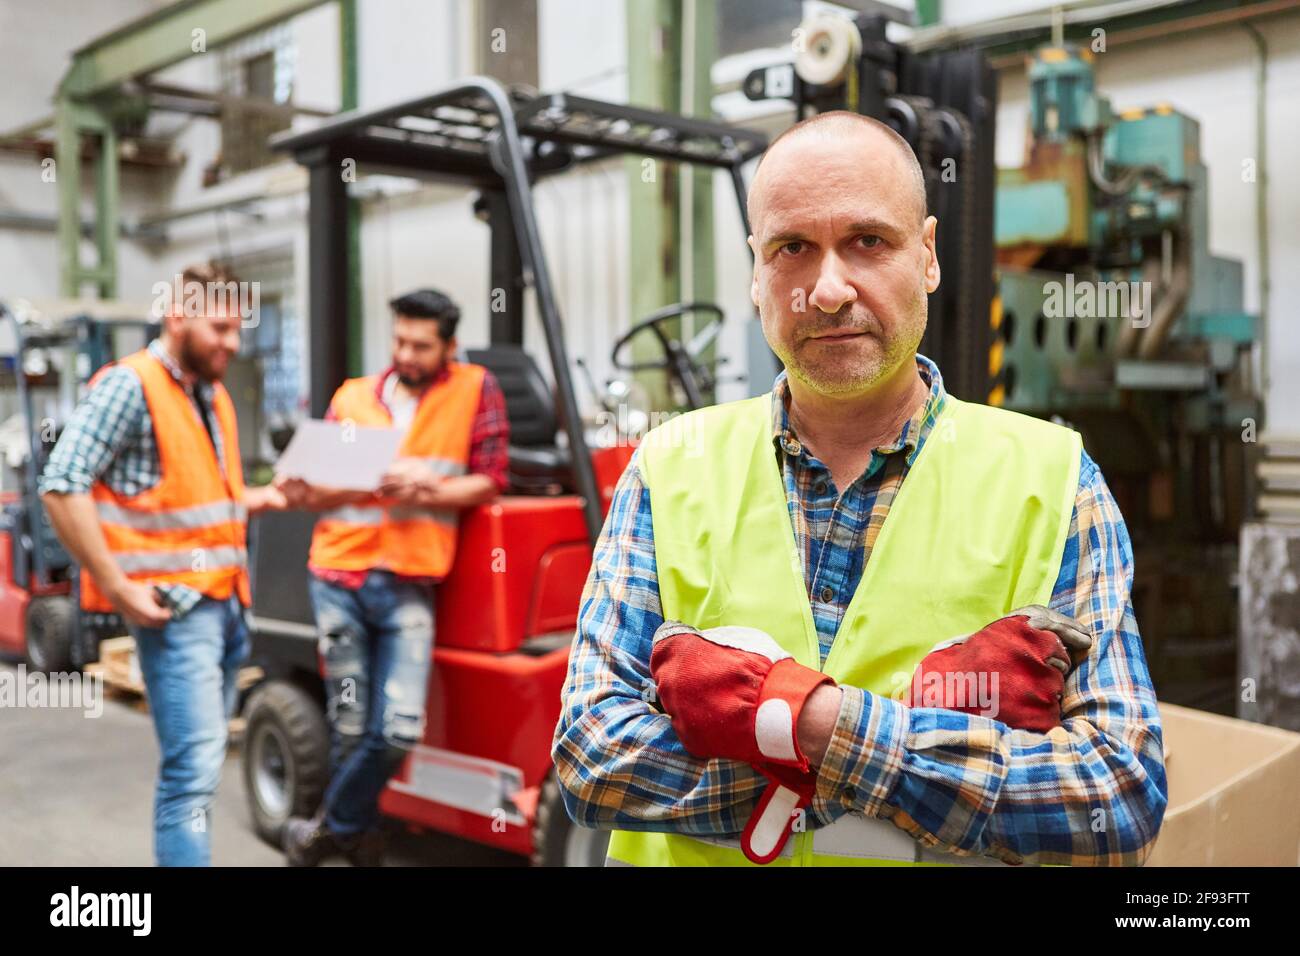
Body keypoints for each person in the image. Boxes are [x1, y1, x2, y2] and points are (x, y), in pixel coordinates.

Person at [552, 112, 1168, 867]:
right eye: (792, 249)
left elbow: (1117, 789)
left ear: (930, 256)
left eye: (868, 242)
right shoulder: (667, 467)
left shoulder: (1055, 478)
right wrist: (916, 757)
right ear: (756, 272)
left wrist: (812, 722)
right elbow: (592, 757)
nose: (830, 288)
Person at [41, 262, 288, 866]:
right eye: (221, 328)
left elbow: (198, 497)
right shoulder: (131, 384)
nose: (233, 343)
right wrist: (116, 586)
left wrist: (267, 496)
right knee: (191, 773)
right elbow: (61, 483)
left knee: (200, 769)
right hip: (178, 617)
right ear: (178, 316)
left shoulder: (212, 393)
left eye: (238, 330)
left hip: (229, 606)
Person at [278, 288, 509, 866]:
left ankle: (333, 828)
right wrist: (370, 477)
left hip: (410, 580)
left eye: (421, 344)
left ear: (449, 346)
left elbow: (489, 479)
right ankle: (358, 836)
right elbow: (313, 486)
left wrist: (425, 487)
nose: (406, 353)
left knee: (400, 727)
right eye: (400, 340)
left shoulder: (474, 389)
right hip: (338, 575)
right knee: (351, 724)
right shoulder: (353, 398)